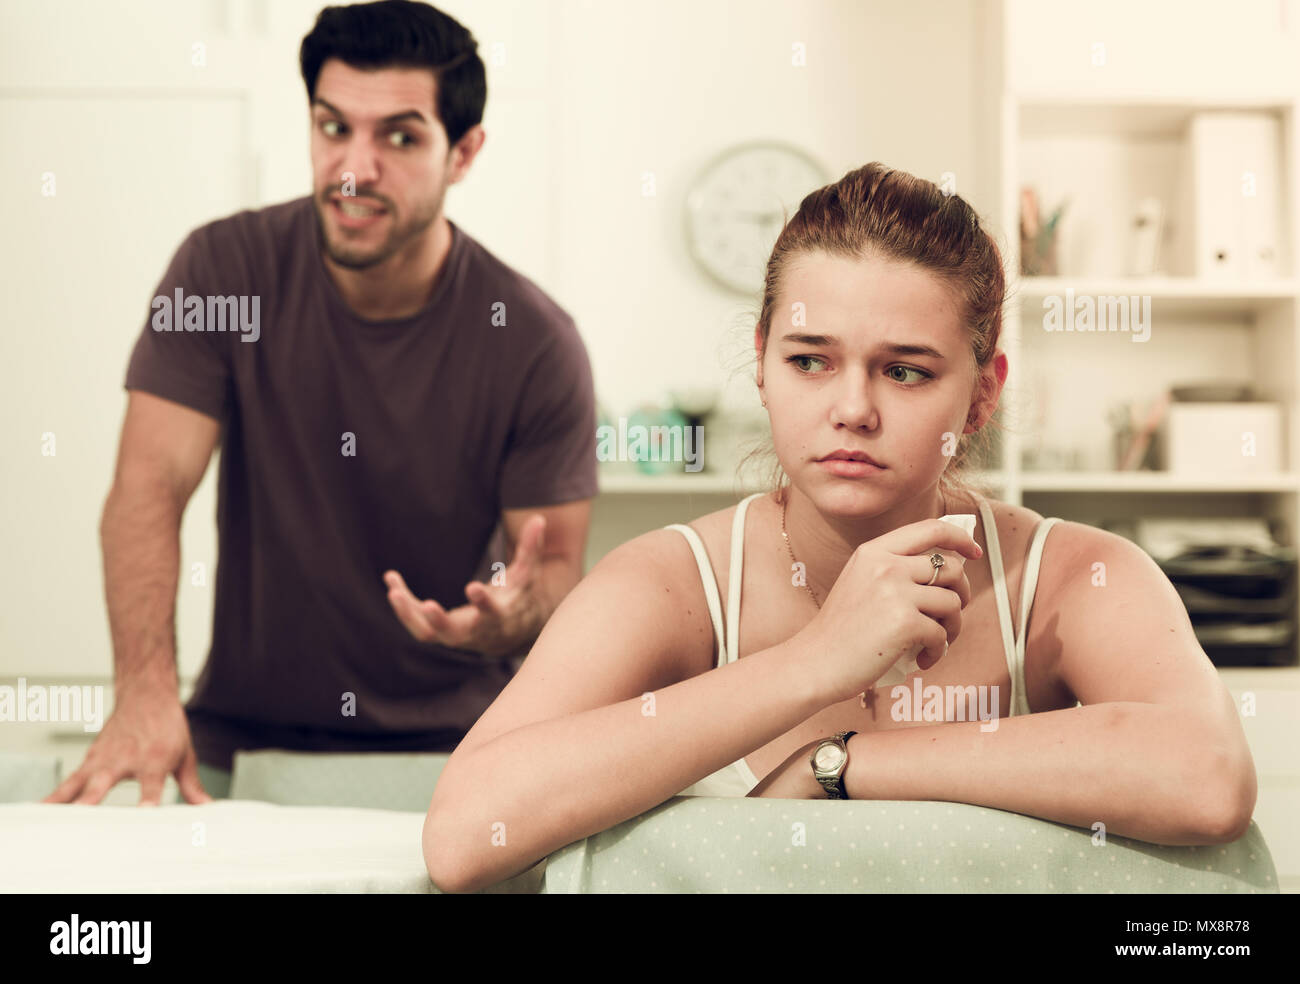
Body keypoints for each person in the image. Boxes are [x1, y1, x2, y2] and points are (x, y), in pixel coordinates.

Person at [420, 161, 1258, 893]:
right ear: (761, 363)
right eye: (809, 360)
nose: (851, 409)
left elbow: (1210, 778)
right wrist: (816, 662)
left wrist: (845, 764)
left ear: (982, 392)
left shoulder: (1070, 578)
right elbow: (464, 840)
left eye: (904, 370)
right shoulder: (673, 583)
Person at [45, 0, 596, 807]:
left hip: (458, 750)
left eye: (400, 137)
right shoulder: (221, 271)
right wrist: (142, 692)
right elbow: (147, 492)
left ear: (464, 152)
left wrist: (507, 618)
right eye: (333, 127)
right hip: (244, 738)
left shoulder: (534, 340)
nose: (353, 167)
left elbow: (551, 569)